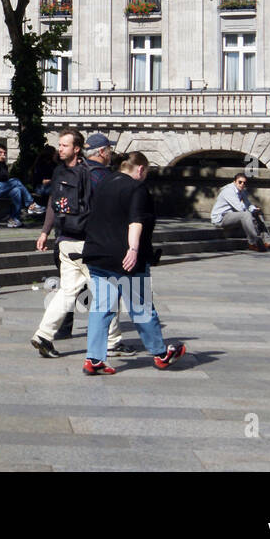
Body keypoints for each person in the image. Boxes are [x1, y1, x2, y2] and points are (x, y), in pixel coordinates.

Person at [81, 152, 187, 375]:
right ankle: (160, 353)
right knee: (140, 307)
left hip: (97, 254)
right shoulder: (136, 188)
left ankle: (94, 359)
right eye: (145, 172)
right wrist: (133, 249)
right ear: (140, 169)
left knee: (101, 308)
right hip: (124, 260)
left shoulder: (104, 183)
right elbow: (136, 221)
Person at [29, 129, 128, 359]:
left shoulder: (63, 172)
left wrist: (45, 232)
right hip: (90, 243)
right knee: (108, 291)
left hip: (65, 241)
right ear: (102, 152)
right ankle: (113, 342)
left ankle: (44, 334)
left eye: (63, 145)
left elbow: (54, 203)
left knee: (66, 292)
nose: (60, 149)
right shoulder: (99, 175)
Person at [0, 143, 43, 227]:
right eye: (0, 152)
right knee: (15, 181)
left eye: (4, 153)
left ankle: (14, 219)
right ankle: (31, 204)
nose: (3, 155)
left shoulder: (2, 164)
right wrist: (2, 169)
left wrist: (2, 166)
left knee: (16, 191)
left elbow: (5, 177)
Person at [211, 172, 270, 252]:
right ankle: (253, 243)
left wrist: (254, 209)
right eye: (240, 182)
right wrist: (251, 211)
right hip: (221, 218)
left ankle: (268, 242)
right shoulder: (228, 191)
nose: (242, 184)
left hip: (233, 216)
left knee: (257, 214)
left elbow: (248, 204)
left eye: (244, 183)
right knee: (245, 214)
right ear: (234, 182)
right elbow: (240, 208)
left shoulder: (242, 191)